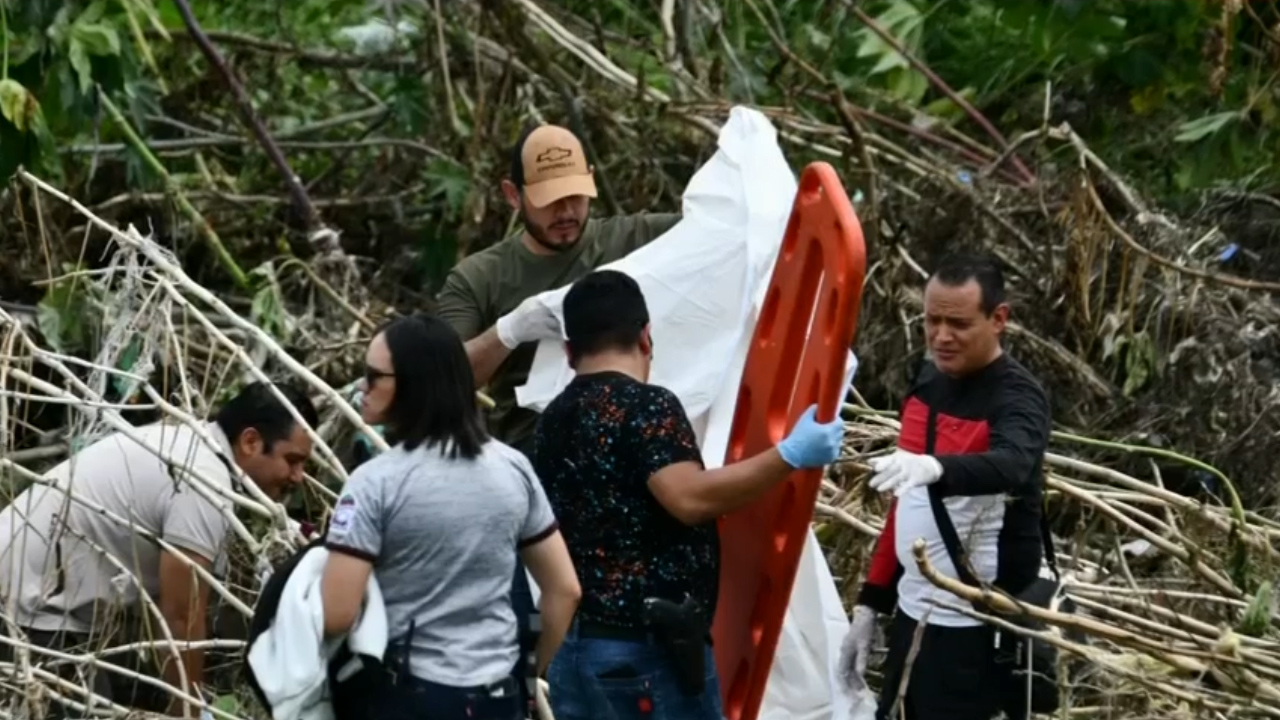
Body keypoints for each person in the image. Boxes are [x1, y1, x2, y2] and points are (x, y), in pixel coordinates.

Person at [435, 121, 680, 709]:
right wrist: (509, 329)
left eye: (576, 195)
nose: (567, 211)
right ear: (513, 195)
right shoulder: (482, 277)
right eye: (549, 201)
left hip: (637, 475)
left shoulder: (634, 239)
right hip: (532, 485)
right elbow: (438, 378)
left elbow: (725, 236)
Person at [531, 269, 845, 720]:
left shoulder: (552, 420)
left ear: (568, 351)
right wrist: (789, 456)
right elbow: (688, 498)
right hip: (643, 655)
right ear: (646, 336)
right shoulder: (647, 405)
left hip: (575, 648)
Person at [0, 381, 317, 718]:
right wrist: (191, 712)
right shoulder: (203, 481)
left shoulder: (187, 442)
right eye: (292, 460)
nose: (299, 477)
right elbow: (182, 616)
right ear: (251, 441)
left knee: (140, 694)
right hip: (29, 608)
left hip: (44, 601)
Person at [319, 314, 581, 720]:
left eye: (373, 376)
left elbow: (337, 613)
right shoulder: (513, 468)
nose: (361, 388)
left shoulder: (374, 482)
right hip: (497, 694)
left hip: (408, 695)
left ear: (413, 385)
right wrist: (525, 674)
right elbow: (565, 590)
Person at [837, 253, 1051, 720]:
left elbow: (1012, 464)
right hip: (915, 613)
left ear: (999, 319)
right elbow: (904, 500)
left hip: (977, 622)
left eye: (957, 323)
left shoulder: (1018, 395)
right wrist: (871, 605)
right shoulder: (927, 380)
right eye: (932, 320)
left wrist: (938, 467)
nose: (941, 336)